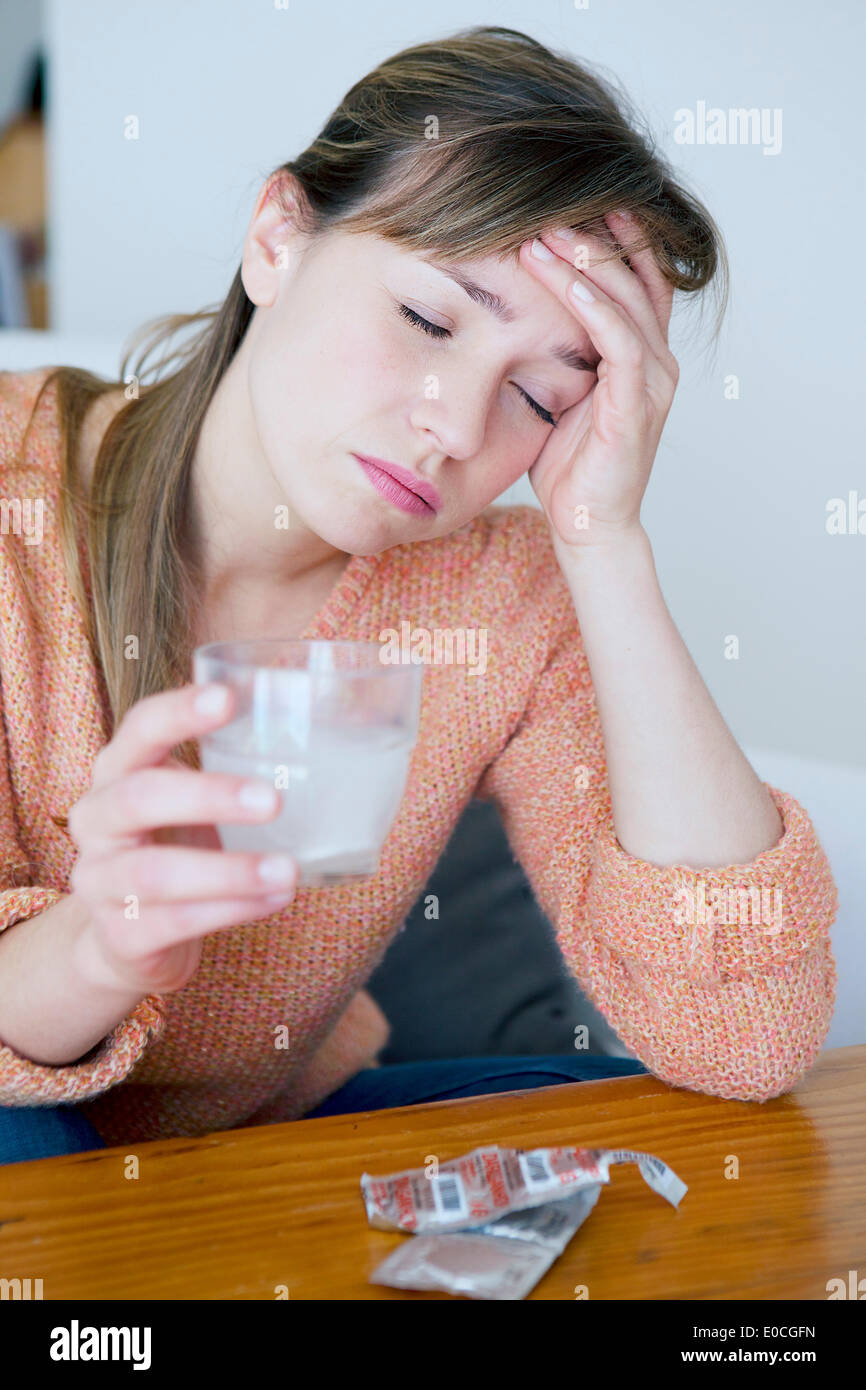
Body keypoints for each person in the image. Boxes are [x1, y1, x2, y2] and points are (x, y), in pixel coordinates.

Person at [0, 25, 837, 1164]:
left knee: (660, 1137)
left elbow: (745, 1040)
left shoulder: (499, 595)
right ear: (277, 237)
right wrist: (101, 949)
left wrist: (604, 543)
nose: (452, 425)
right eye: (429, 320)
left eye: (538, 399)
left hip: (271, 1134)